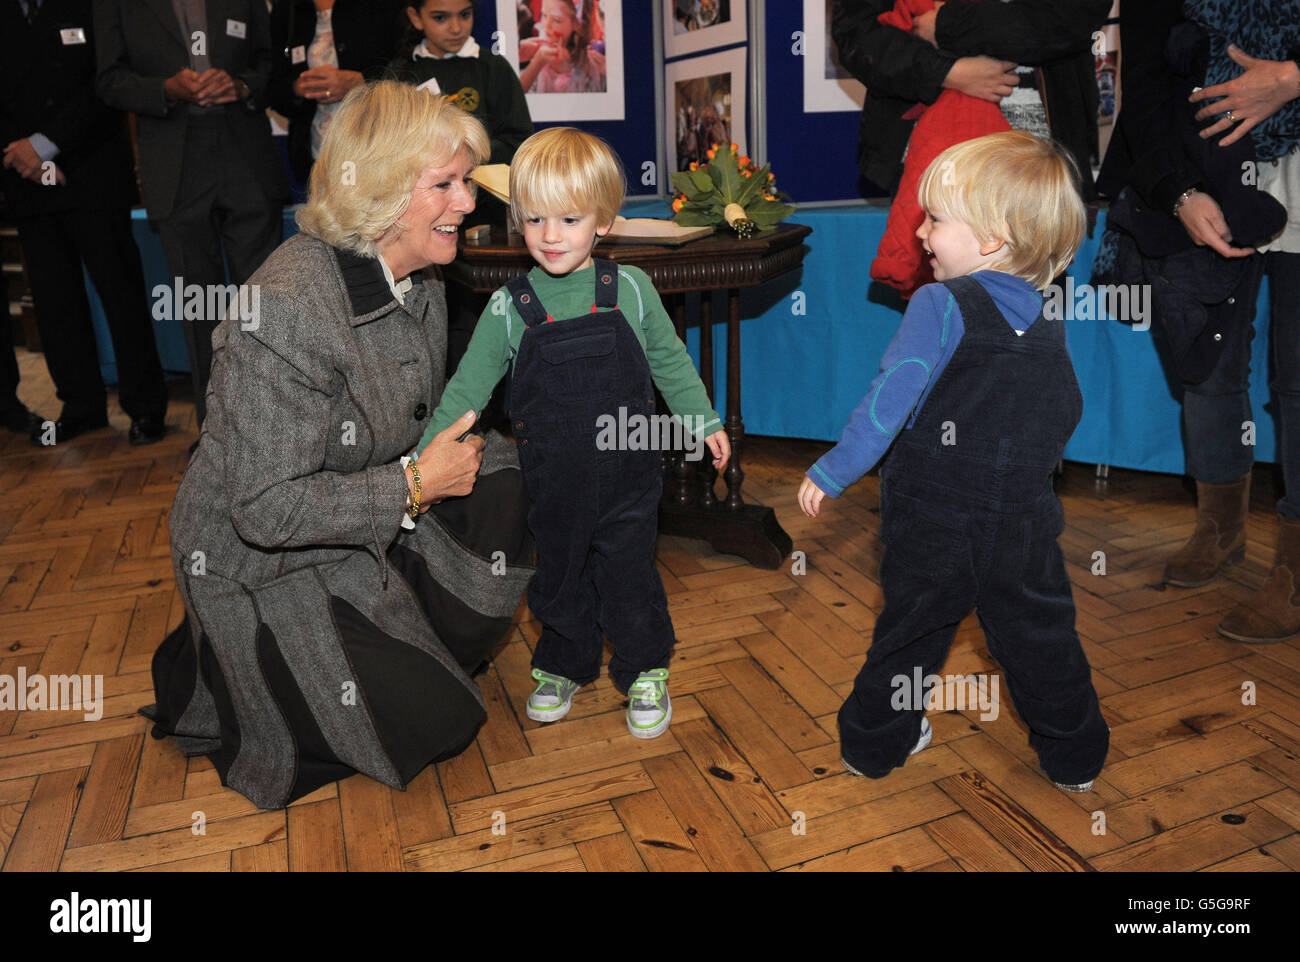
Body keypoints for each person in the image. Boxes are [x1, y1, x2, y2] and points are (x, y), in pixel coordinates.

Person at [141, 82, 533, 810]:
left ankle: (399, 632)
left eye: (465, 181)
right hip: (264, 562)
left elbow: (410, 420)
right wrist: (414, 485)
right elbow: (263, 508)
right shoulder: (285, 311)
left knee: (505, 475)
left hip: (358, 515)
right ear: (382, 194)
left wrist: (433, 464)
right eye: (444, 185)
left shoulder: (419, 273)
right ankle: (218, 663)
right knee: (436, 723)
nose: (468, 202)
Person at [799, 132, 1109, 791]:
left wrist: (834, 469)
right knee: (1039, 637)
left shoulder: (939, 304)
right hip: (1020, 520)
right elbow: (1066, 407)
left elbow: (890, 398)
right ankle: (1076, 758)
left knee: (910, 632)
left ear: (993, 237)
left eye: (937, 218)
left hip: (932, 514)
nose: (920, 232)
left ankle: (874, 745)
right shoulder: (1047, 318)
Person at [419, 127, 730, 739]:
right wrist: (431, 449)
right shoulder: (510, 307)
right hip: (553, 478)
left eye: (568, 218)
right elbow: (466, 390)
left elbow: (669, 361)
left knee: (629, 574)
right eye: (533, 220)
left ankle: (645, 669)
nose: (550, 235)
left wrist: (703, 420)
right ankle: (565, 663)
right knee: (557, 574)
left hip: (630, 474)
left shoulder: (632, 291)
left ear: (604, 222)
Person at [1094, 0, 1300, 644]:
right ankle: (1221, 526)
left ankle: (1294, 569)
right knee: (1206, 367)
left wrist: (1294, 77)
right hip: (1200, 170)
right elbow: (1149, 90)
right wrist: (1179, 191)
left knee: (1298, 383)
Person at [94, 0, 289, 430]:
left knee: (263, 303)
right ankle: (216, 433)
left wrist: (241, 86)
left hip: (246, 156)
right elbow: (109, 81)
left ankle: (275, 428)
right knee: (199, 307)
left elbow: (270, 65)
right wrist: (166, 88)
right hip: (173, 161)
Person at [2, 0, 168, 446]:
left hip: (93, 173)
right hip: (25, 181)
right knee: (56, 304)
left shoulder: (93, 4)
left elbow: (107, 81)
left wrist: (47, 145)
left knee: (121, 294)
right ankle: (81, 406)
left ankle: (146, 406)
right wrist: (23, 154)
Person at [830, 0, 1110, 197]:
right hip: (927, 158)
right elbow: (858, 35)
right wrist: (947, 72)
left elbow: (1073, 19)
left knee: (1035, 277)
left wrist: (948, 23)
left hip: (1042, 161)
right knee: (929, 272)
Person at [268, 0, 406, 189]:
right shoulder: (288, 7)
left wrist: (363, 81)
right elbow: (272, 86)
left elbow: (412, 61)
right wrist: (296, 89)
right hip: (317, 157)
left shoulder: (388, 6)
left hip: (383, 150)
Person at [389, 0, 532, 169]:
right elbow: (386, 143)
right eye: (441, 18)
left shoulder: (493, 68)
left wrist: (468, 152)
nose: (456, 28)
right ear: (416, 18)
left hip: (483, 191)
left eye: (464, 15)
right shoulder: (400, 71)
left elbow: (519, 140)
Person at [518, 0, 605, 94]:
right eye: (543, 15)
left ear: (577, 24)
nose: (546, 25)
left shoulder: (591, 64)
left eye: (556, 20)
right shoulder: (539, 57)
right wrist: (536, 64)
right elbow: (516, 97)